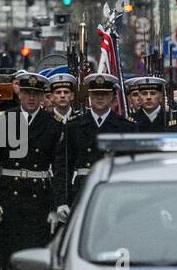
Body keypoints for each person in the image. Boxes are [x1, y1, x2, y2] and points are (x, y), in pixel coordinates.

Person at [0, 71, 62, 270]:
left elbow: (59, 169)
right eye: (28, 93)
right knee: (8, 256)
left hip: (38, 195)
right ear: (20, 94)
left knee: (34, 254)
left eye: (37, 94)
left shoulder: (53, 126)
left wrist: (55, 205)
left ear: (43, 97)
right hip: (9, 194)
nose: (32, 98)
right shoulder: (3, 121)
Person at [54, 73, 134, 205]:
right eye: (96, 94)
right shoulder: (74, 126)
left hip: (113, 188)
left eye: (104, 94)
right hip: (82, 189)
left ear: (113, 97)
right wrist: (61, 202)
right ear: (89, 96)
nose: (100, 97)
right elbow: (63, 167)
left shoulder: (125, 126)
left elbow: (130, 168)